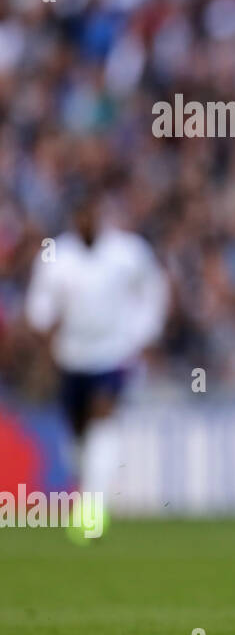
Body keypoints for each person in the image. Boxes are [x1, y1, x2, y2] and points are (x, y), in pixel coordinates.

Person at [25, 182, 169, 541]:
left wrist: (143, 333)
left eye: (92, 212)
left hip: (112, 353)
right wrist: (45, 327)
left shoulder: (128, 252)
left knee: (102, 418)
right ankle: (85, 491)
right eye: (80, 214)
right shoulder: (56, 256)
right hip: (71, 356)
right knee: (78, 435)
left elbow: (154, 289)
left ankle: (92, 510)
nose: (87, 220)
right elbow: (39, 305)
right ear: (74, 218)